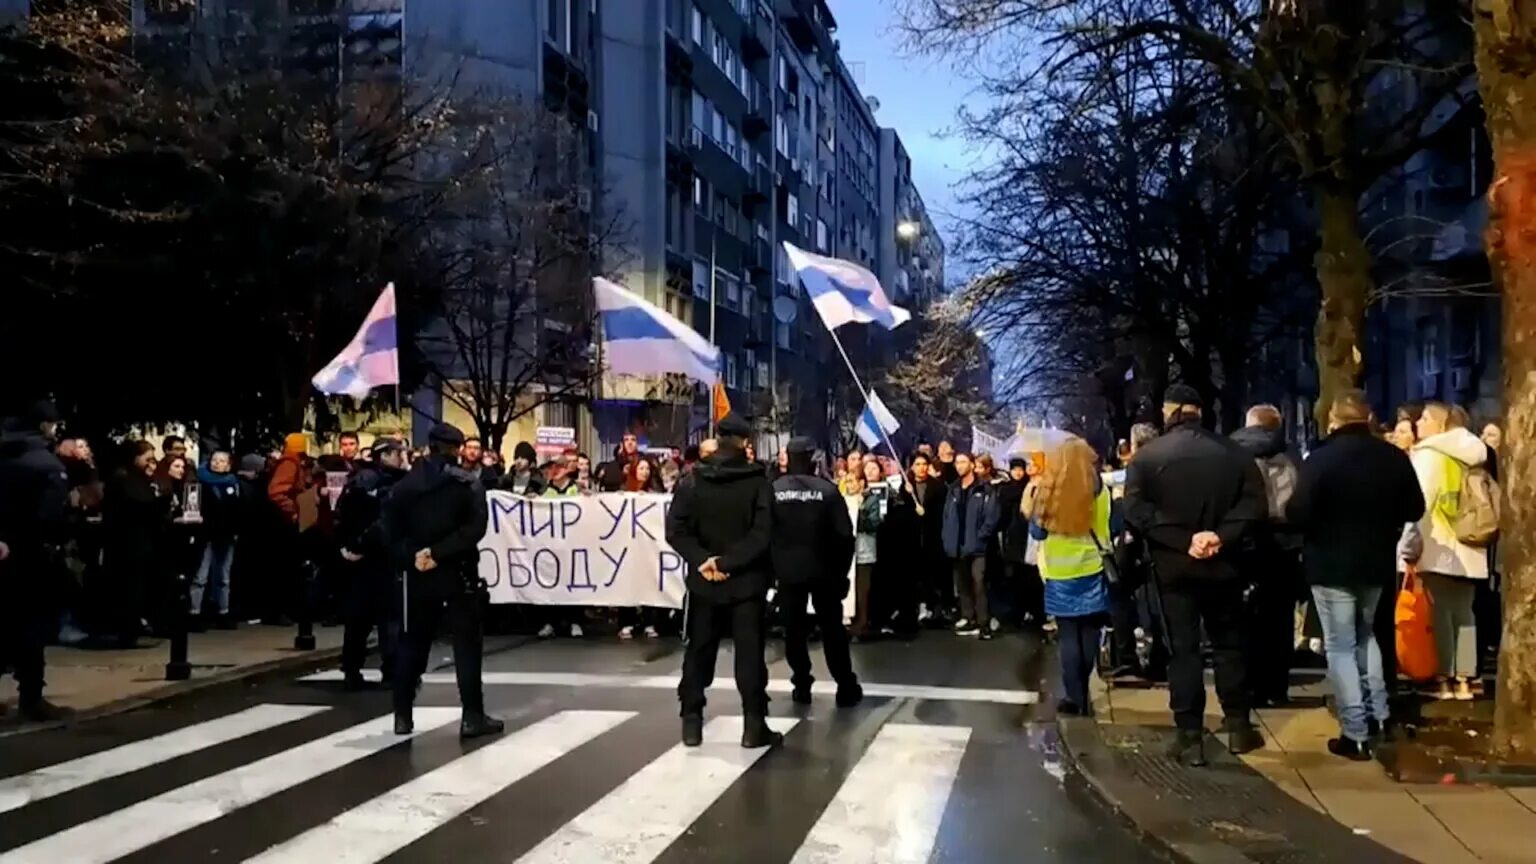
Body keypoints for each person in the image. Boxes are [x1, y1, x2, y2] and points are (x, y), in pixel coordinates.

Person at [1124, 384, 1267, 765]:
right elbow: (1255, 504)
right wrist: (1220, 536)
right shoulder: (1234, 453)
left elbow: (1135, 509)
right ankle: (1238, 725)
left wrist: (1182, 540)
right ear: (1200, 412)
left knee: (1182, 651)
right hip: (1225, 563)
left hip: (1173, 566)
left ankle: (1189, 735)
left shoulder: (1148, 456)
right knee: (1228, 645)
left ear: (1168, 412)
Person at [1287, 390, 1424, 758]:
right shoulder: (1392, 457)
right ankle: (1379, 715)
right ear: (1369, 417)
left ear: (1335, 419)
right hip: (1375, 561)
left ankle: (1355, 731)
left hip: (1330, 562)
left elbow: (1297, 511)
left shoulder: (1321, 459)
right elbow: (1415, 507)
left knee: (1341, 646)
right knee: (1367, 637)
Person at [665, 413, 779, 748]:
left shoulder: (693, 480)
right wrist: (728, 562)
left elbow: (676, 530)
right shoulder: (758, 482)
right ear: (744, 442)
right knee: (749, 654)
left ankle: (691, 720)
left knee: (699, 650)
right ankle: (753, 725)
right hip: (747, 581)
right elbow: (763, 534)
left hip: (705, 581)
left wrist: (704, 560)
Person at [384, 423, 502, 738]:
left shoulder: (405, 485)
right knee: (466, 645)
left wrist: (414, 556)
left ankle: (402, 714)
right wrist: (438, 552)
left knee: (412, 642)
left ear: (430, 446)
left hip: (418, 574)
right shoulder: (467, 484)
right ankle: (472, 715)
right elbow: (474, 529)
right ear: (457, 449)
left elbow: (390, 532)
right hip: (456, 571)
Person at [1402, 402, 1490, 701]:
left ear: (1441, 425)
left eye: (1425, 418)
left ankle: (1443, 679)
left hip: (1436, 543)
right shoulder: (1474, 454)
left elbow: (1419, 504)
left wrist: (1408, 546)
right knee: (1465, 613)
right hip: (1470, 542)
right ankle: (1465, 679)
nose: (1418, 423)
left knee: (1438, 612)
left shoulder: (1428, 455)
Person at [1025, 437, 1115, 715]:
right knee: (1089, 632)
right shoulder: (1100, 490)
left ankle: (1074, 696)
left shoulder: (1050, 491)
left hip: (1059, 573)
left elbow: (1037, 533)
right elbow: (1109, 524)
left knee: (1068, 636)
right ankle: (1082, 689)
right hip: (1092, 568)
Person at [771, 437, 861, 705]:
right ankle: (845, 685)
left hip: (788, 572)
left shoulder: (774, 491)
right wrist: (842, 573)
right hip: (825, 571)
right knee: (832, 630)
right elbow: (845, 536)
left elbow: (763, 533)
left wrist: (772, 571)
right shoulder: (828, 491)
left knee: (794, 631)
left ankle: (801, 683)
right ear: (812, 459)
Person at [0, 401, 71, 720]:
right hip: (33, 555)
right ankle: (31, 697)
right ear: (44, 425)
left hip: (6, 550)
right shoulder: (45, 464)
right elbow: (50, 517)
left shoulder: (5, 456)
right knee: (34, 625)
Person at [1230, 404, 1304, 707]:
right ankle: (1276, 686)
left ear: (1249, 423)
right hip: (1286, 542)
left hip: (1246, 541)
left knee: (1245, 615)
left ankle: (1248, 684)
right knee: (1280, 617)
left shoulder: (1233, 452)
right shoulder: (1291, 454)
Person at [336, 439, 409, 690]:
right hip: (382, 557)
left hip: (361, 557)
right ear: (385, 455)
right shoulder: (390, 483)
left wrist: (347, 546)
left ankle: (352, 668)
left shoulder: (358, 479)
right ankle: (390, 670)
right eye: (398, 453)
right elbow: (384, 523)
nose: (402, 458)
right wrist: (358, 546)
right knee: (389, 617)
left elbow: (342, 515)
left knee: (359, 618)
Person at [942, 452, 1000, 639]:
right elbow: (947, 516)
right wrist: (947, 538)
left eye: (963, 462)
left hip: (977, 547)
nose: (959, 465)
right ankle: (968, 617)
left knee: (979, 583)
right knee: (963, 583)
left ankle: (984, 622)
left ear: (972, 464)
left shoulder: (984, 489)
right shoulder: (953, 489)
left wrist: (981, 536)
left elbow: (992, 516)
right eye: (957, 462)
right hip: (957, 544)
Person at [192, 451, 241, 630]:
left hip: (226, 536)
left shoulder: (233, 483)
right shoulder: (200, 482)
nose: (217, 463)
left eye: (222, 461)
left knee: (223, 576)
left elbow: (238, 509)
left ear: (228, 465)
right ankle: (195, 612)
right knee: (200, 576)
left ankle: (223, 611)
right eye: (214, 460)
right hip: (206, 534)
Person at [909, 452, 952, 625]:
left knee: (933, 575)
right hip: (912, 539)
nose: (921, 468)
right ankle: (918, 607)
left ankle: (937, 608)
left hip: (933, 538)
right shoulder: (907, 487)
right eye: (918, 464)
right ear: (912, 467)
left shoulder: (938, 487)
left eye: (924, 464)